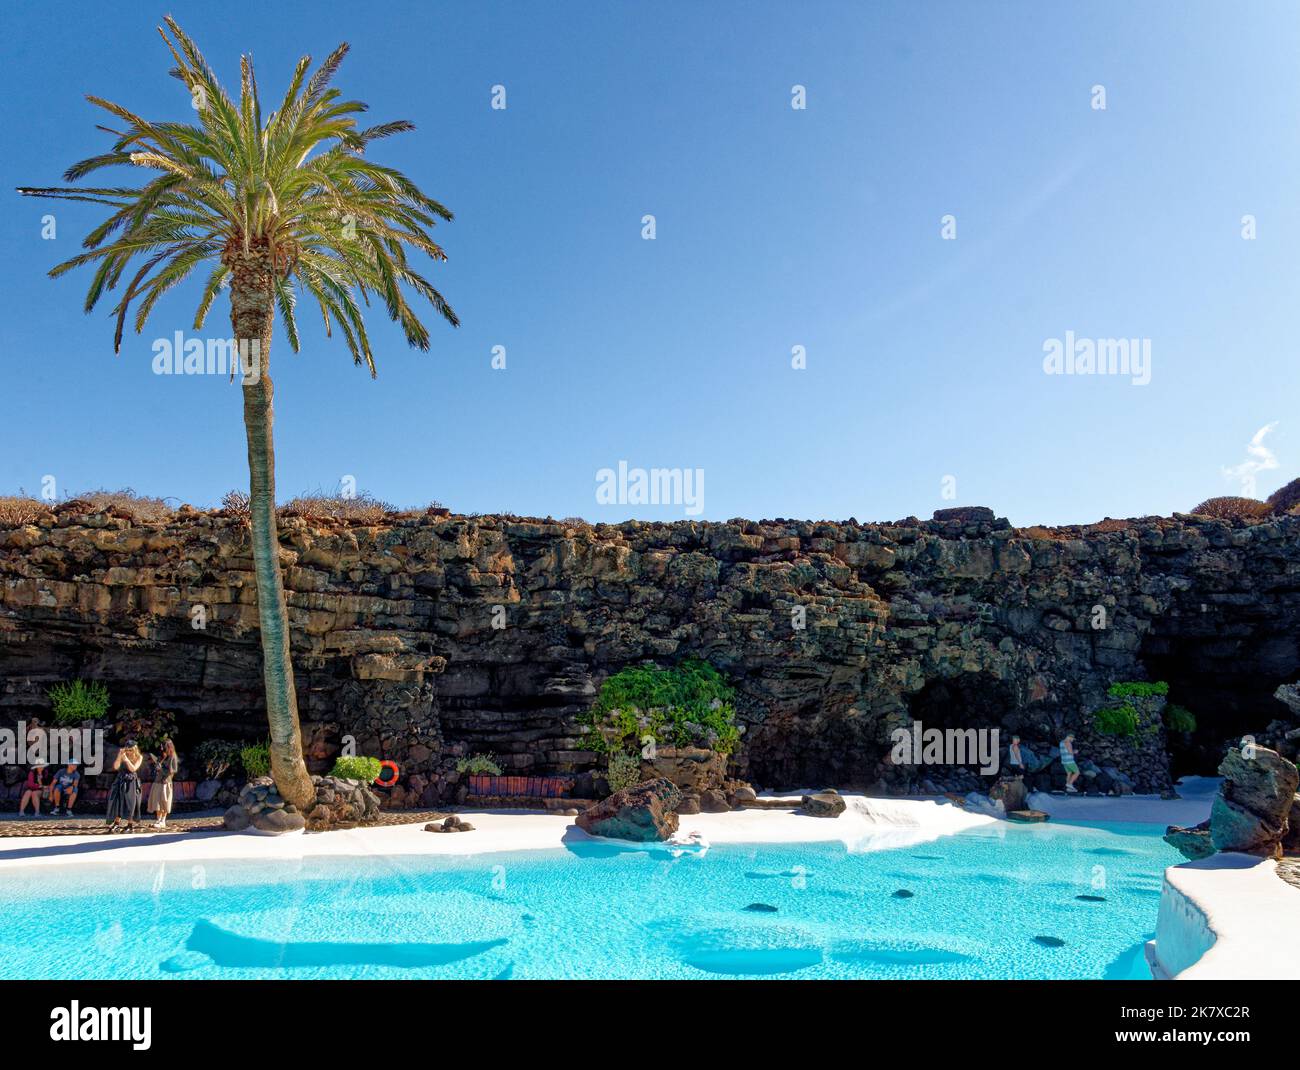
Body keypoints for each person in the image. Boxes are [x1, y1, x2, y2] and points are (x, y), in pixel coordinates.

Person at [106, 740, 144, 832]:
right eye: (127, 750)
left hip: (131, 782)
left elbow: (133, 769)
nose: (128, 752)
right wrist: (120, 756)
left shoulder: (139, 757)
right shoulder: (123, 754)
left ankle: (130, 825)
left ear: (135, 749)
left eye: (130, 750)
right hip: (120, 780)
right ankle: (116, 823)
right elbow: (116, 767)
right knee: (117, 801)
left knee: (131, 803)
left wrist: (126, 759)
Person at [147, 738, 179, 830]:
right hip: (157, 781)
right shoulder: (162, 756)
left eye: (163, 745)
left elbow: (171, 771)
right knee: (157, 801)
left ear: (168, 746)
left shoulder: (173, 757)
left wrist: (160, 768)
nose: (161, 747)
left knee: (164, 802)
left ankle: (163, 821)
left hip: (165, 782)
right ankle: (158, 819)